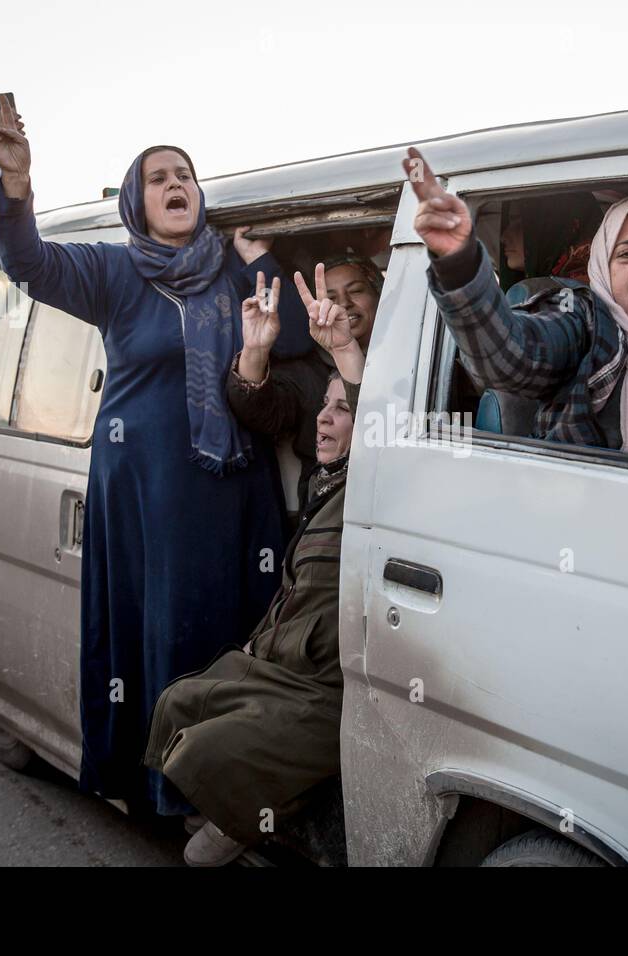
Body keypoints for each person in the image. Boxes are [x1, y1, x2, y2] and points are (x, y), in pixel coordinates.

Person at [0, 93, 312, 816]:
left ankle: (230, 781)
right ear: (137, 199)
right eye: (159, 176)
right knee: (158, 626)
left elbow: (292, 345)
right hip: (146, 488)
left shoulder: (231, 271)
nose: (176, 185)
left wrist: (267, 261)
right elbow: (28, 263)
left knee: (232, 631)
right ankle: (164, 787)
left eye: (186, 174)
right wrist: (15, 184)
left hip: (232, 486)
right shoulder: (113, 271)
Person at [144, 269, 364, 866]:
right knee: (175, 706)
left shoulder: (379, 476)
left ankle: (243, 821)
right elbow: (255, 402)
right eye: (324, 405)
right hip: (279, 662)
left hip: (319, 685)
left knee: (206, 754)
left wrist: (344, 350)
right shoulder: (327, 482)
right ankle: (233, 811)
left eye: (340, 410)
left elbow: (383, 424)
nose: (322, 418)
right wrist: (258, 350)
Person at [404, 147, 628, 481]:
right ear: (604, 271)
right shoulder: (587, 325)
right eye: (627, 254)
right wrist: (461, 264)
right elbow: (508, 356)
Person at [228, 253, 381, 510]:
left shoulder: (417, 358)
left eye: (356, 291)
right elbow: (256, 410)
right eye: (330, 298)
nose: (343, 303)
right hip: (325, 514)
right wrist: (255, 349)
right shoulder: (307, 371)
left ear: (379, 296)